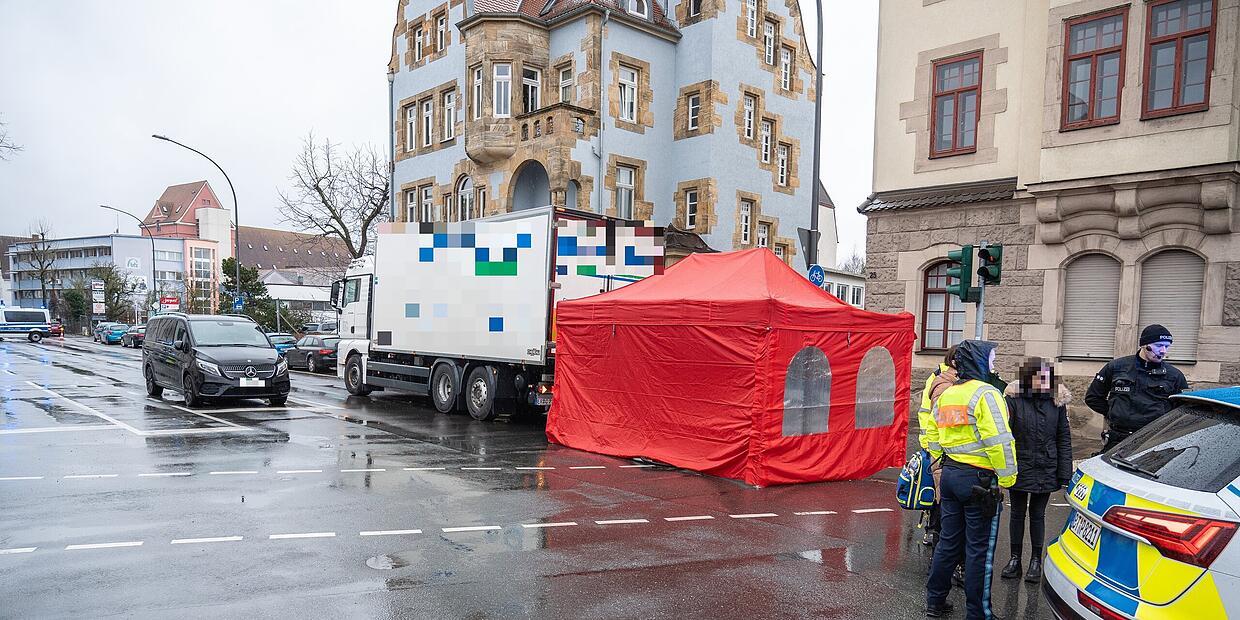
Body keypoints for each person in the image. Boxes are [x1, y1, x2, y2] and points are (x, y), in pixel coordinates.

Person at [925, 340, 1016, 619]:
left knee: (949, 542)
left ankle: (935, 602)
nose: (993, 363)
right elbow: (999, 441)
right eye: (991, 358)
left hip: (951, 475)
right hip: (980, 480)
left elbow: (932, 434)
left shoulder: (948, 394)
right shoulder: (986, 394)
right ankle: (979, 613)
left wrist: (942, 460)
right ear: (978, 361)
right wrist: (1008, 478)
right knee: (979, 551)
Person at [999, 357, 1072, 584]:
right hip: (1020, 465)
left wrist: (1064, 473)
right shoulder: (1013, 400)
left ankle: (1036, 560)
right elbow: (1004, 435)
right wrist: (1003, 468)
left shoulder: (1056, 403)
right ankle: (1015, 559)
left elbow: (1063, 438)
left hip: (1046, 466)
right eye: (1038, 377)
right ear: (1027, 378)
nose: (1042, 382)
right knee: (1017, 513)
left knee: (1038, 515)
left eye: (1046, 378)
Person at [1085, 324, 1188, 452]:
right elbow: (1093, 397)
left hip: (1153, 440)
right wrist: (1114, 412)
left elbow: (1184, 409)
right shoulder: (1116, 367)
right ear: (1145, 345)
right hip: (1118, 439)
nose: (1163, 351)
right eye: (1158, 345)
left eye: (1166, 346)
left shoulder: (1174, 375)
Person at [916, 345, 958, 547]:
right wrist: (928, 442)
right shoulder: (942, 380)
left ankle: (934, 531)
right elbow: (931, 413)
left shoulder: (940, 377)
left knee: (938, 489)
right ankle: (933, 530)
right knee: (937, 491)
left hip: (933, 441)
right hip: (937, 443)